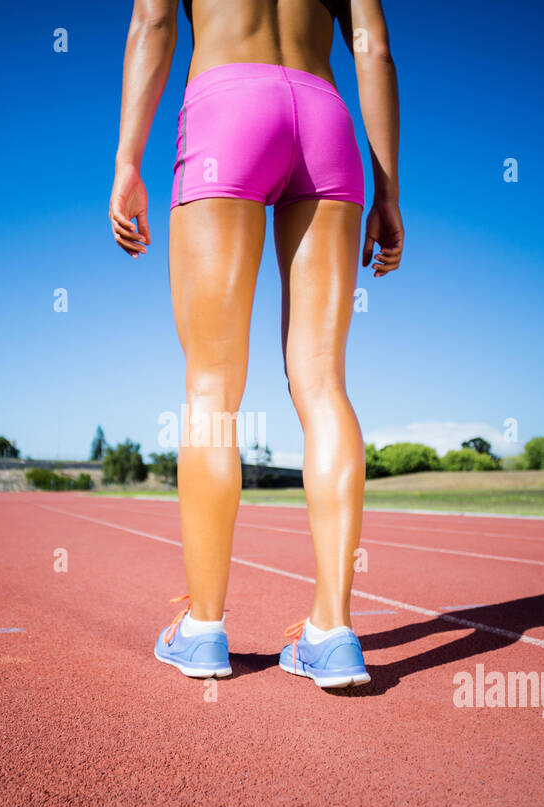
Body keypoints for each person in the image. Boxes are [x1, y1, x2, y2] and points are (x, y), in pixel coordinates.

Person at [110, 0, 402, 689]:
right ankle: (332, 632)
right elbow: (374, 48)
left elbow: (152, 24)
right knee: (324, 382)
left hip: (227, 107)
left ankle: (204, 629)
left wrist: (127, 160)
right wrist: (387, 190)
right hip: (326, 118)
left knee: (212, 387)